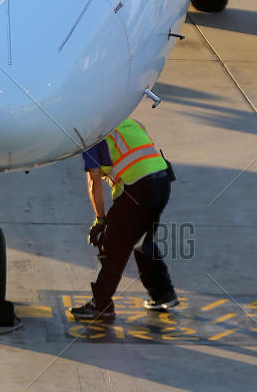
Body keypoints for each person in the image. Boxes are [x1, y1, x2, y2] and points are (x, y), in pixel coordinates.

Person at [71, 114, 177, 321]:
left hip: (137, 186)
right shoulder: (128, 119)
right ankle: (164, 294)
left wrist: (100, 220)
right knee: (142, 241)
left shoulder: (92, 134)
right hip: (162, 181)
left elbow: (94, 181)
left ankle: (100, 304)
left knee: (112, 246)